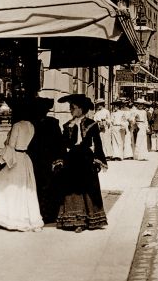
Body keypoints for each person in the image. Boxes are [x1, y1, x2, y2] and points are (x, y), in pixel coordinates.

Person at [0, 97, 44, 232]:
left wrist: (1, 162)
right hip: (25, 159)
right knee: (24, 190)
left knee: (5, 187)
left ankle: (7, 217)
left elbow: (11, 146)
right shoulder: (31, 126)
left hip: (15, 158)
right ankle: (24, 217)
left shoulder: (17, 125)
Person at [55, 94, 108, 232]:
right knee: (71, 188)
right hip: (71, 159)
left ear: (80, 109)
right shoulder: (67, 125)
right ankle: (74, 219)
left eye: (72, 108)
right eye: (70, 108)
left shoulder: (92, 124)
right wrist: (60, 160)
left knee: (87, 188)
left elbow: (97, 144)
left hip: (85, 159)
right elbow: (62, 145)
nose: (70, 110)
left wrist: (98, 160)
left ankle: (87, 220)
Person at [26, 96, 65, 225]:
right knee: (43, 186)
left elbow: (59, 143)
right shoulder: (48, 122)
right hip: (38, 158)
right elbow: (59, 143)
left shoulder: (48, 123)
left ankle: (45, 213)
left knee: (43, 186)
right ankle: (44, 213)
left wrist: (59, 158)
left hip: (42, 159)